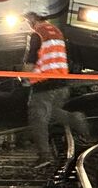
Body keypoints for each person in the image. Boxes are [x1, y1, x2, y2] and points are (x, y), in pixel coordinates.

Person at [23, 11, 89, 167]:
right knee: (51, 113)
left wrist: (24, 77)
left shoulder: (36, 34)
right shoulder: (56, 31)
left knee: (38, 118)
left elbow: (30, 61)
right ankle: (76, 119)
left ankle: (44, 156)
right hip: (61, 83)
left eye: (26, 19)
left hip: (44, 83)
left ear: (33, 18)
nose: (26, 22)